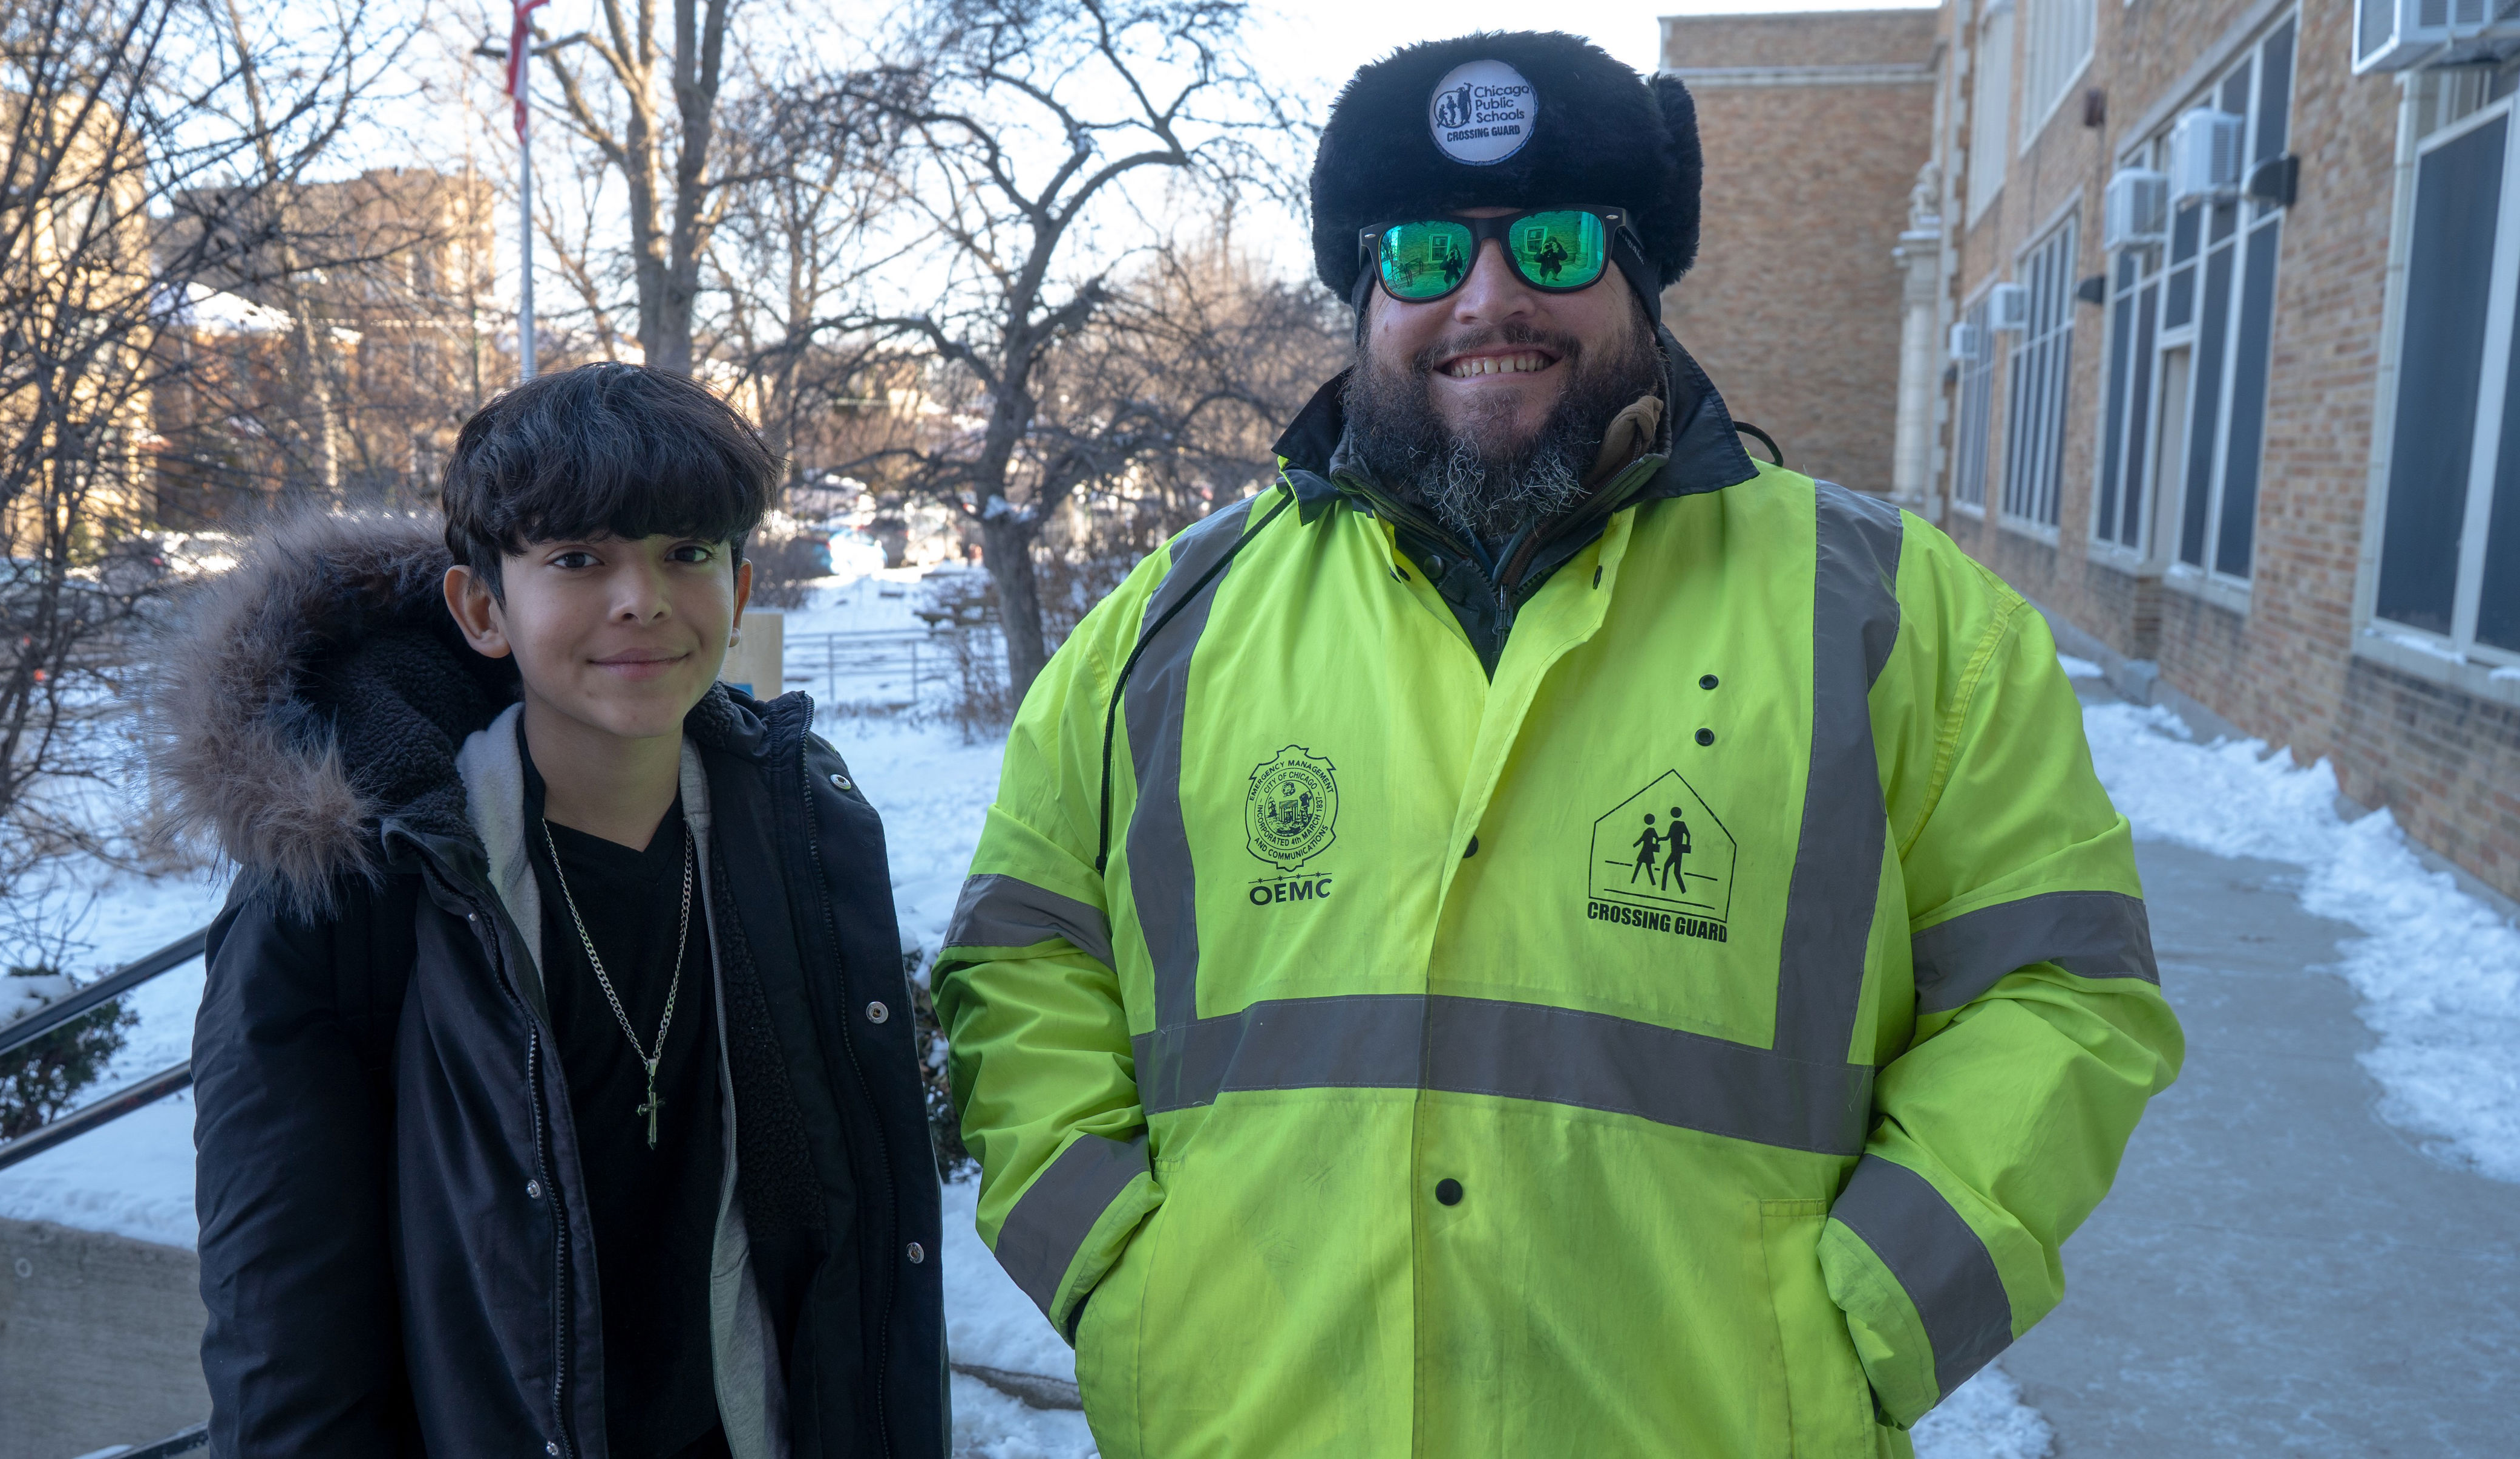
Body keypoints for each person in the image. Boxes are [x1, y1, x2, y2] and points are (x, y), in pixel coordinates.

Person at [933, 32, 2181, 1457]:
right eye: (1420, 252)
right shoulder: (1166, 627)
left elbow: (2062, 988)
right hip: (1252, 1422)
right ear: (1361, 294)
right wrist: (1117, 1279)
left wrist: (1872, 1317)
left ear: (1638, 277)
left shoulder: (1896, 619)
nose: (1486, 296)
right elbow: (1021, 959)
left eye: (1554, 240)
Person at [164, 364, 946, 1459]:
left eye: (687, 553)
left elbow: (852, 1255)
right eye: (578, 559)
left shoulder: (803, 837)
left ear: (740, 589)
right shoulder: (355, 895)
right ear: (483, 609)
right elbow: (283, 1328)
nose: (642, 599)